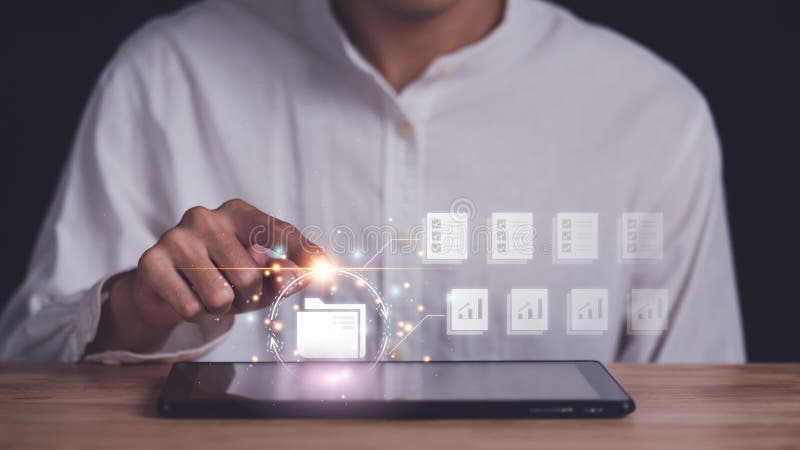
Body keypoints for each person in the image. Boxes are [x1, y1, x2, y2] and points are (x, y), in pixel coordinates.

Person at [0, 0, 744, 363]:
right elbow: (24, 378)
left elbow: (700, 417)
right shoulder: (166, 76)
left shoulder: (651, 113)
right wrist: (138, 312)